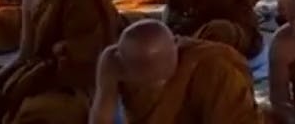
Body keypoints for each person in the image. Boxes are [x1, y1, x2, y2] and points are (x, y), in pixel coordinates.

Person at [89, 19, 260, 124]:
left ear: (174, 53)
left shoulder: (215, 68)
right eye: (145, 75)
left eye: (161, 78)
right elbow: (101, 117)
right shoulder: (112, 61)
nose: (157, 84)